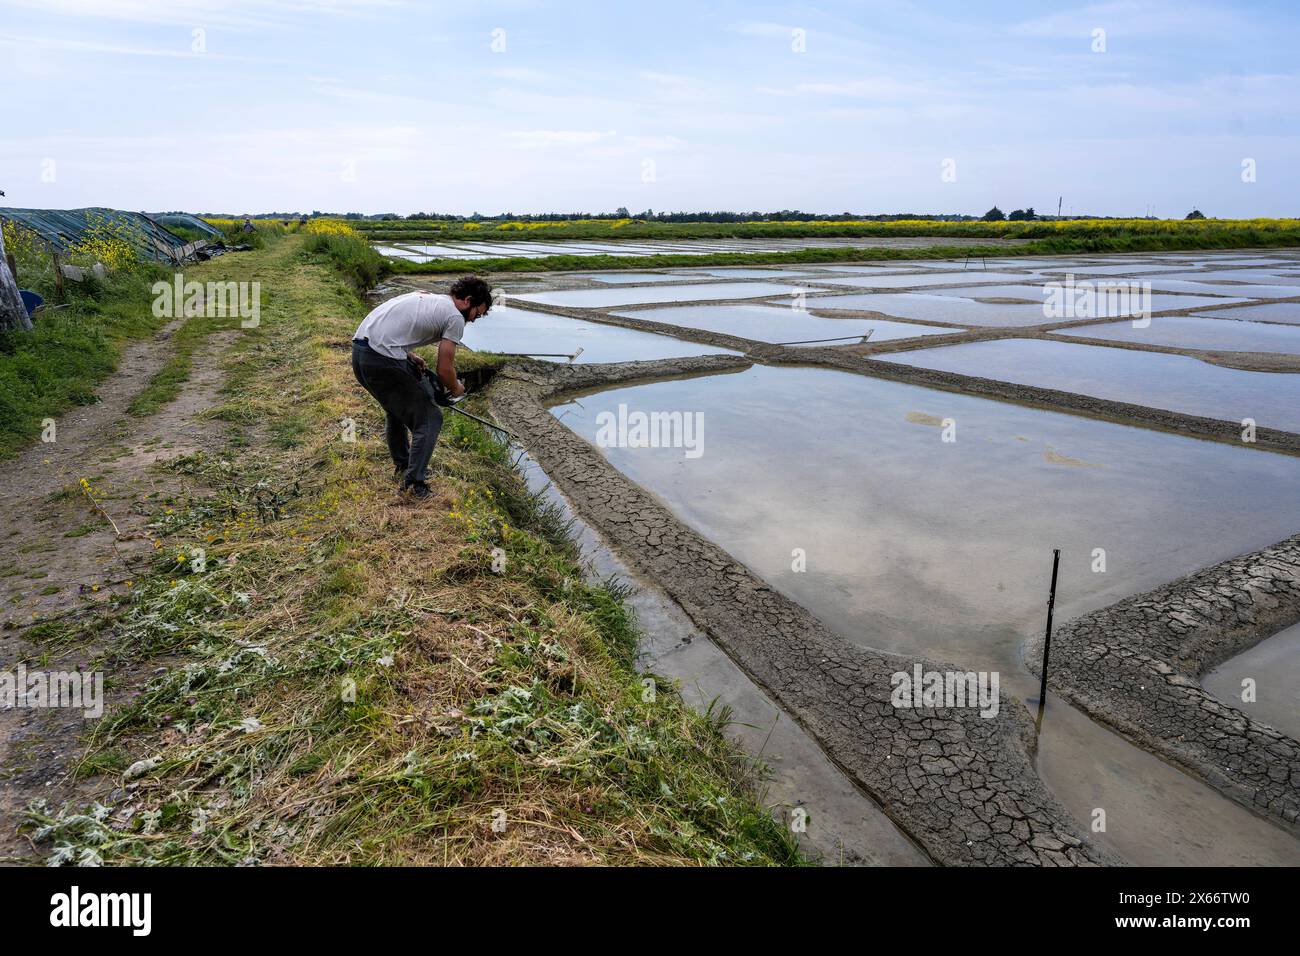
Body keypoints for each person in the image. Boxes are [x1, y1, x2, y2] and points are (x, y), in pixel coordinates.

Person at [351, 277, 493, 498]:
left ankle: (404, 464)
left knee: (396, 410)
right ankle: (414, 484)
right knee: (429, 419)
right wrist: (456, 389)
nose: (475, 319)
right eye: (478, 313)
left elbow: (391, 327)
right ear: (467, 300)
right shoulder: (455, 317)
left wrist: (408, 355)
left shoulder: (428, 297)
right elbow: (445, 369)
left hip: (361, 353)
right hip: (380, 358)